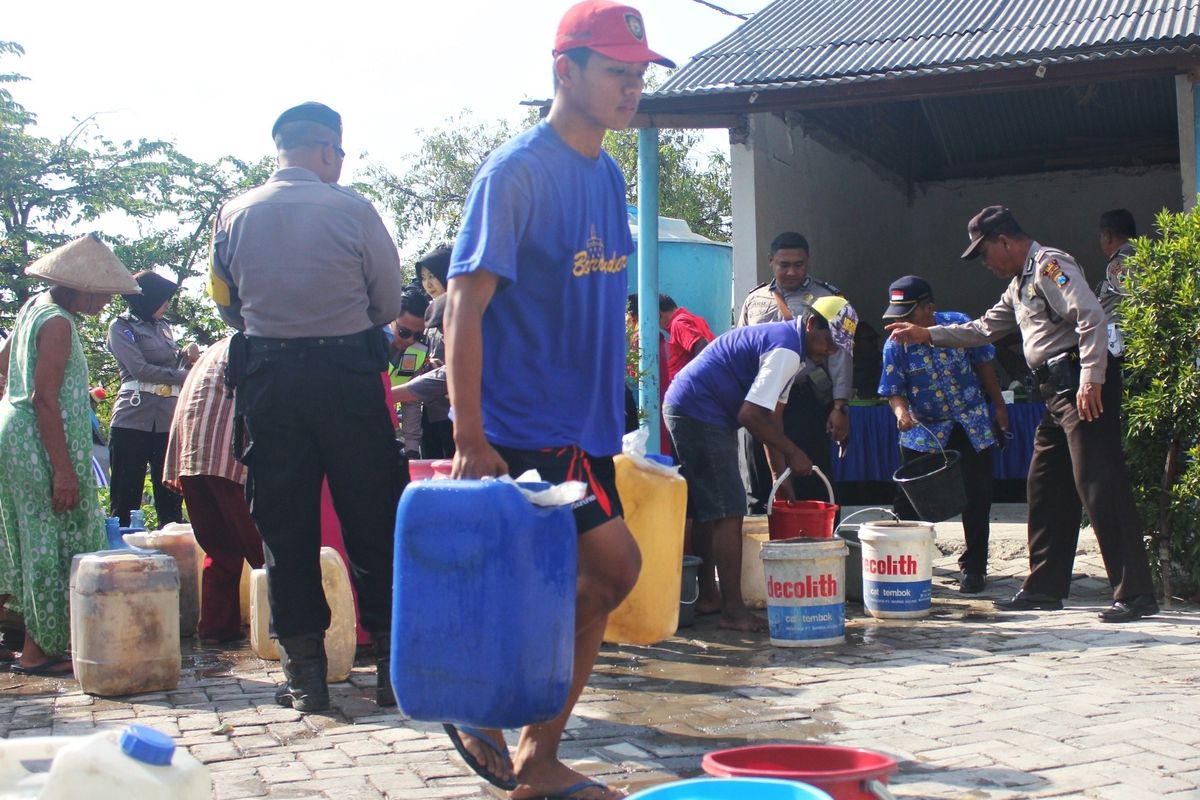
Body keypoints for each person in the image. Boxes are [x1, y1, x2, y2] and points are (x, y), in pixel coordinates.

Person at [441, 3, 672, 797]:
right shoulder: (515, 172)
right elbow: (463, 305)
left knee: (591, 584)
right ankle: (474, 697)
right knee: (610, 569)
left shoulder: (608, 173)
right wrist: (469, 436)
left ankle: (537, 757)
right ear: (564, 71)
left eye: (639, 74)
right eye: (616, 72)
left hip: (584, 428)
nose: (630, 87)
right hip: (521, 424)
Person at [210, 101, 408, 711]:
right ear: (328, 150)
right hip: (347, 377)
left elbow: (227, 305)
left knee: (285, 526)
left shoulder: (234, 213)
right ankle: (392, 673)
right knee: (373, 521)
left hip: (270, 382)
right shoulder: (354, 211)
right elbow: (386, 304)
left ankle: (306, 677)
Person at [887, 205, 1157, 622]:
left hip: (1081, 387)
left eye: (984, 253)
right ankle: (1045, 587)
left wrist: (1092, 378)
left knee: (1100, 485)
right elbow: (981, 329)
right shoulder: (1019, 284)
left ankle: (1135, 593)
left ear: (1004, 242)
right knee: (1045, 485)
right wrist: (928, 334)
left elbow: (1091, 317)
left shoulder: (1051, 266)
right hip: (1055, 393)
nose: (985, 263)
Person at [664, 298, 856, 631]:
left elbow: (773, 418)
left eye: (838, 345)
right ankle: (733, 610)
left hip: (691, 406)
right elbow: (750, 415)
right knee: (729, 510)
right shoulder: (786, 350)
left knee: (711, 509)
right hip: (699, 410)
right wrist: (794, 452)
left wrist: (780, 478)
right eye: (828, 340)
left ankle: (711, 596)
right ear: (811, 325)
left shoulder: (791, 348)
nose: (831, 350)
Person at [0, 234, 140, 676]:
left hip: (17, 436)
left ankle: (14, 638)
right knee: (51, 541)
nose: (103, 302)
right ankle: (39, 651)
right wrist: (63, 470)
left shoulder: (33, 308)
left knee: (22, 538)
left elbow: (3, 363)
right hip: (41, 442)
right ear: (77, 287)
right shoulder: (57, 322)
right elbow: (45, 399)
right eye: (100, 293)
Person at [878, 276, 1006, 594]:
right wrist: (900, 413)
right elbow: (893, 390)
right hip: (925, 429)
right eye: (898, 315)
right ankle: (906, 565)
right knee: (909, 501)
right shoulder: (895, 345)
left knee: (977, 496)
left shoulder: (958, 325)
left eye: (909, 314)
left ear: (929, 309)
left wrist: (1000, 407)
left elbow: (985, 366)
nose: (902, 322)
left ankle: (975, 568)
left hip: (970, 422)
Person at [737, 231, 852, 507]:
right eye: (783, 265)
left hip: (805, 398)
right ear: (770, 262)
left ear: (808, 261)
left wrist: (839, 407)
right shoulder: (755, 300)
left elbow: (841, 356)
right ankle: (765, 541)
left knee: (809, 472)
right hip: (760, 401)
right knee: (761, 480)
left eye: (798, 265)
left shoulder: (829, 299)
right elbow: (741, 345)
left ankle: (819, 541)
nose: (791, 271)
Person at [163, 336, 265, 644]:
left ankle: (217, 629)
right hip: (227, 460)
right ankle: (291, 635)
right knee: (266, 549)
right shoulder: (256, 343)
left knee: (222, 552)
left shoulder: (218, 347)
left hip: (191, 458)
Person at [106, 271, 198, 527]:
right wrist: (185, 376)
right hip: (132, 419)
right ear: (147, 299)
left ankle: (173, 553)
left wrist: (184, 353)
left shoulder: (164, 326)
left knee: (170, 495)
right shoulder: (121, 327)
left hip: (167, 420)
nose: (166, 304)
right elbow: (140, 369)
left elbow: (168, 359)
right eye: (163, 299)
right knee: (126, 496)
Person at [387, 286, 431, 457]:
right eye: (404, 333)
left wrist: (411, 447)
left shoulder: (419, 351)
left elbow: (411, 400)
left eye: (418, 335)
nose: (411, 341)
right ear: (391, 320)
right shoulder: (369, 345)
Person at [1096, 209, 1137, 359]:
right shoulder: (1137, 256)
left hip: (1124, 347)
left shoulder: (1120, 263)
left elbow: (1136, 298)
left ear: (1107, 236)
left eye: (1100, 236)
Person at [659, 295, 714, 381]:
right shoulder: (693, 319)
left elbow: (701, 344)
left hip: (689, 387)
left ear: (659, 315)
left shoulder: (678, 323)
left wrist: (699, 381)